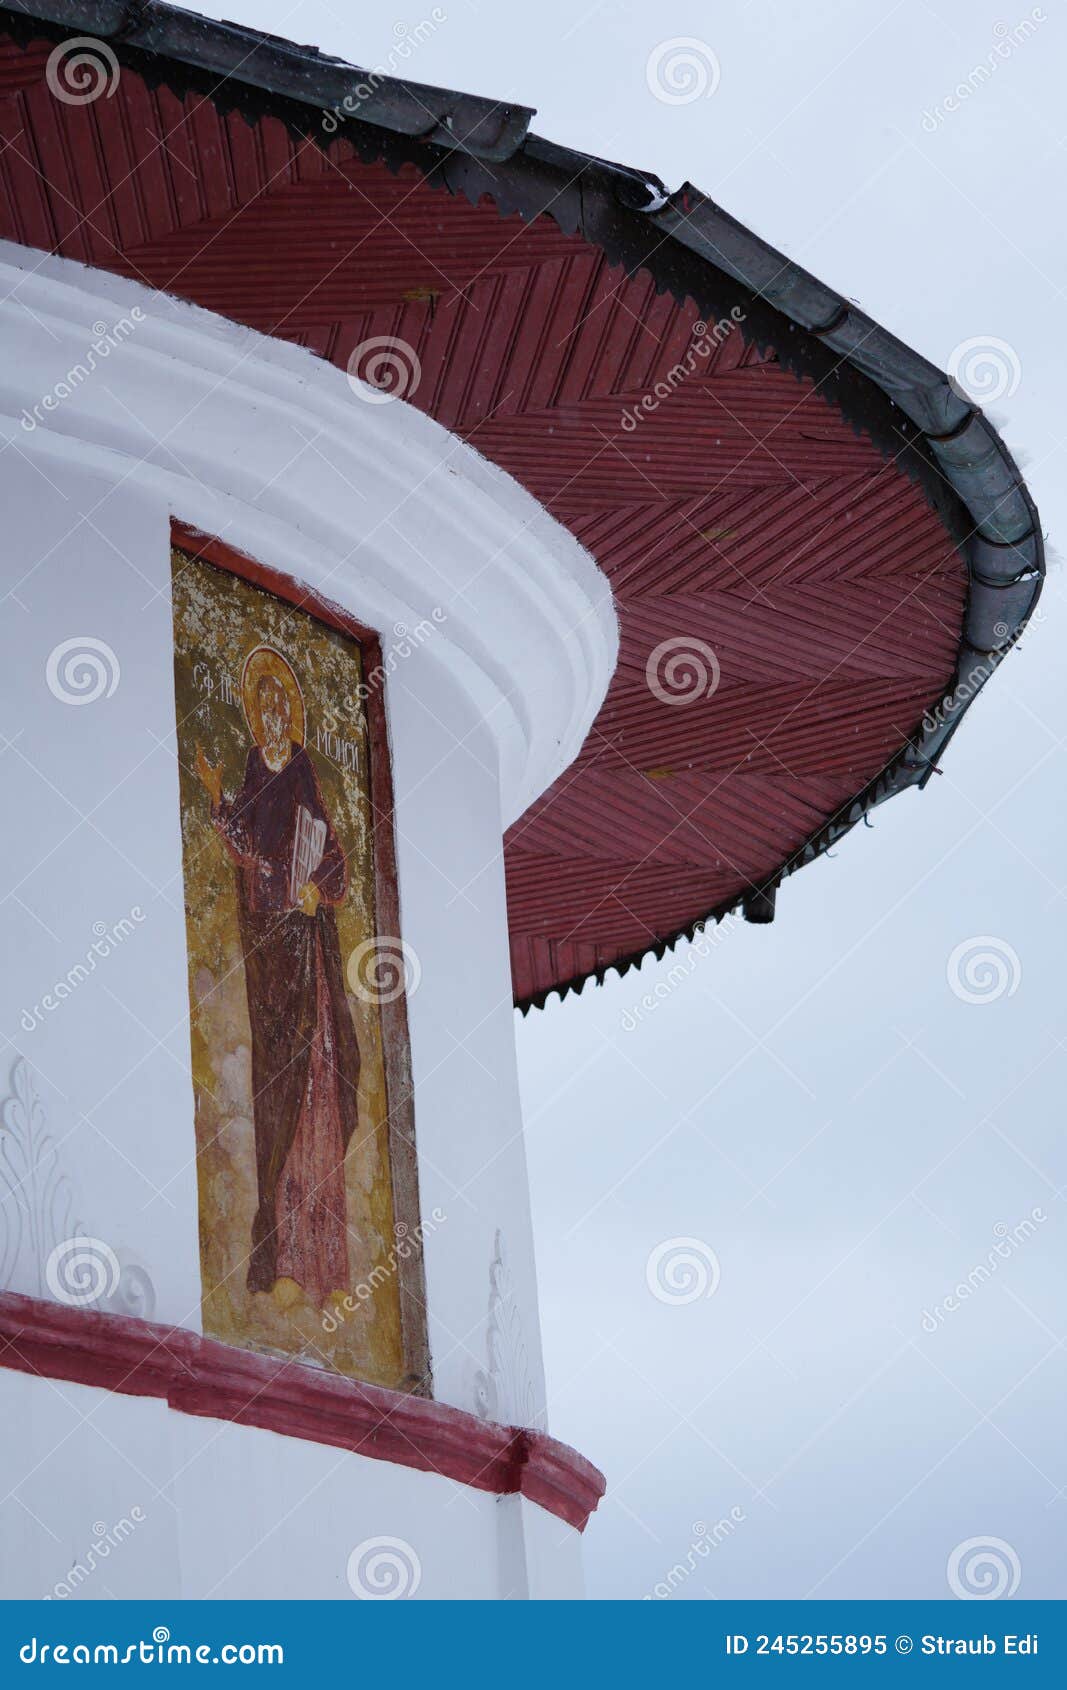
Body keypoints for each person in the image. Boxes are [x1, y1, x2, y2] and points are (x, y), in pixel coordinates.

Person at [195, 645, 360, 1304]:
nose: (271, 713)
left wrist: (323, 889)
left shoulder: (300, 768)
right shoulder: (252, 770)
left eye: (280, 704)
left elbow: (333, 853)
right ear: (253, 711)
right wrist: (216, 798)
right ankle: (282, 1257)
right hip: (271, 952)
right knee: (280, 1086)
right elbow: (245, 846)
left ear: (290, 714)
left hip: (309, 949)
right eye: (261, 703)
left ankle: (326, 1267)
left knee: (320, 1079)